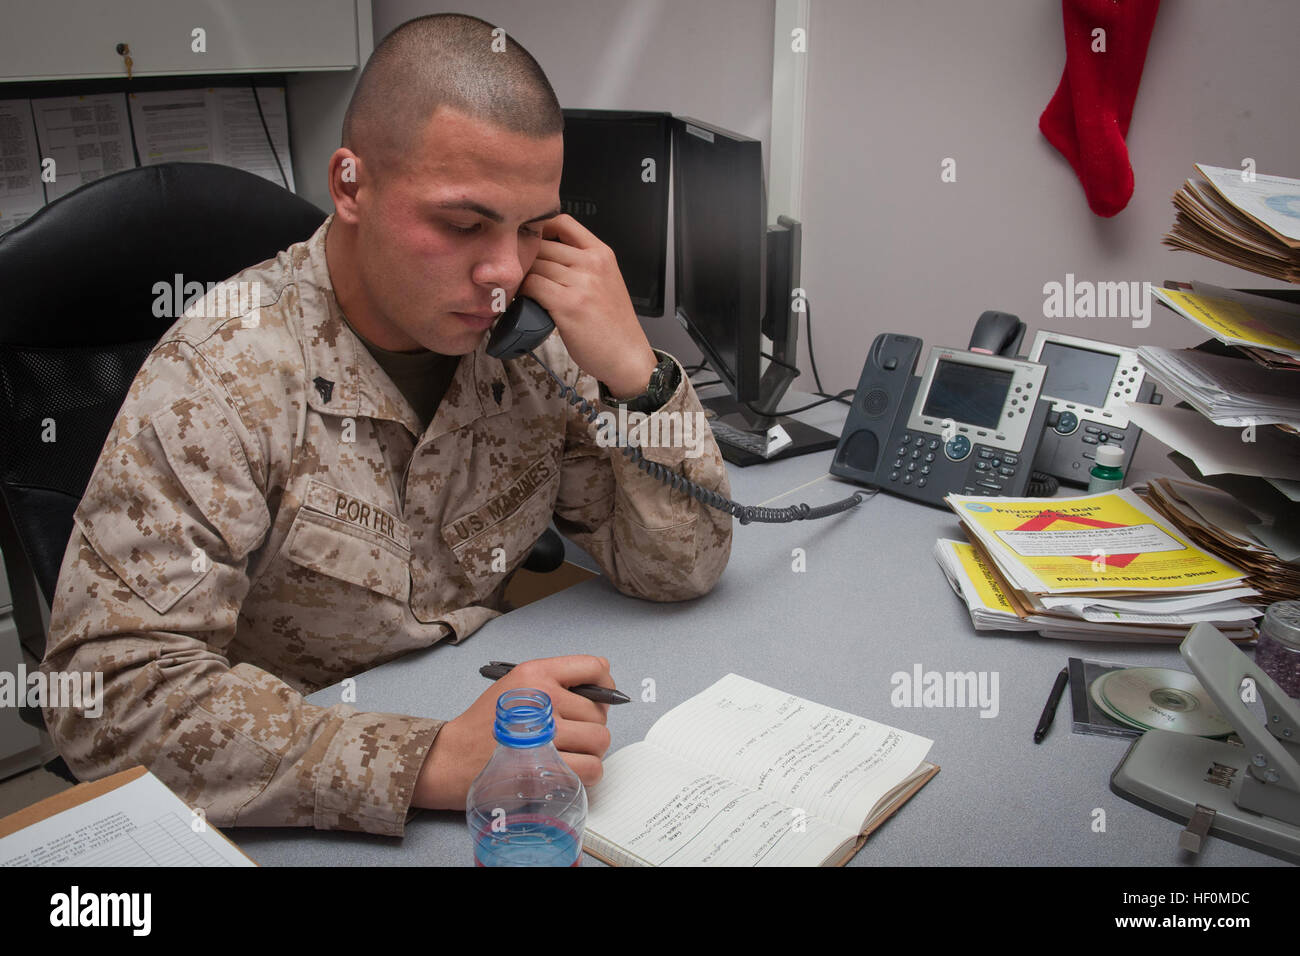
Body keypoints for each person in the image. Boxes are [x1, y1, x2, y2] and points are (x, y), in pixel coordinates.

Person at [40, 13, 731, 835]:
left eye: (534, 227)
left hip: (483, 730)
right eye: (464, 224)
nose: (505, 272)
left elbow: (678, 569)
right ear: (351, 186)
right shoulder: (221, 376)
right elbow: (109, 698)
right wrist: (424, 761)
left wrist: (638, 378)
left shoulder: (529, 345)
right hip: (283, 810)